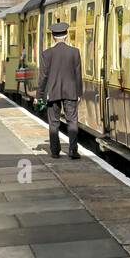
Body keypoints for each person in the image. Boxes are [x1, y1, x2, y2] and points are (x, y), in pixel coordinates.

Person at [38, 21, 83, 159]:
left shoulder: (46, 54)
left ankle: (55, 151)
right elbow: (78, 75)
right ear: (66, 35)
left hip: (52, 92)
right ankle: (73, 151)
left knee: (53, 122)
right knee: (72, 121)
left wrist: (39, 94)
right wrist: (79, 93)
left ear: (53, 37)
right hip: (71, 92)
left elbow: (43, 76)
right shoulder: (74, 52)